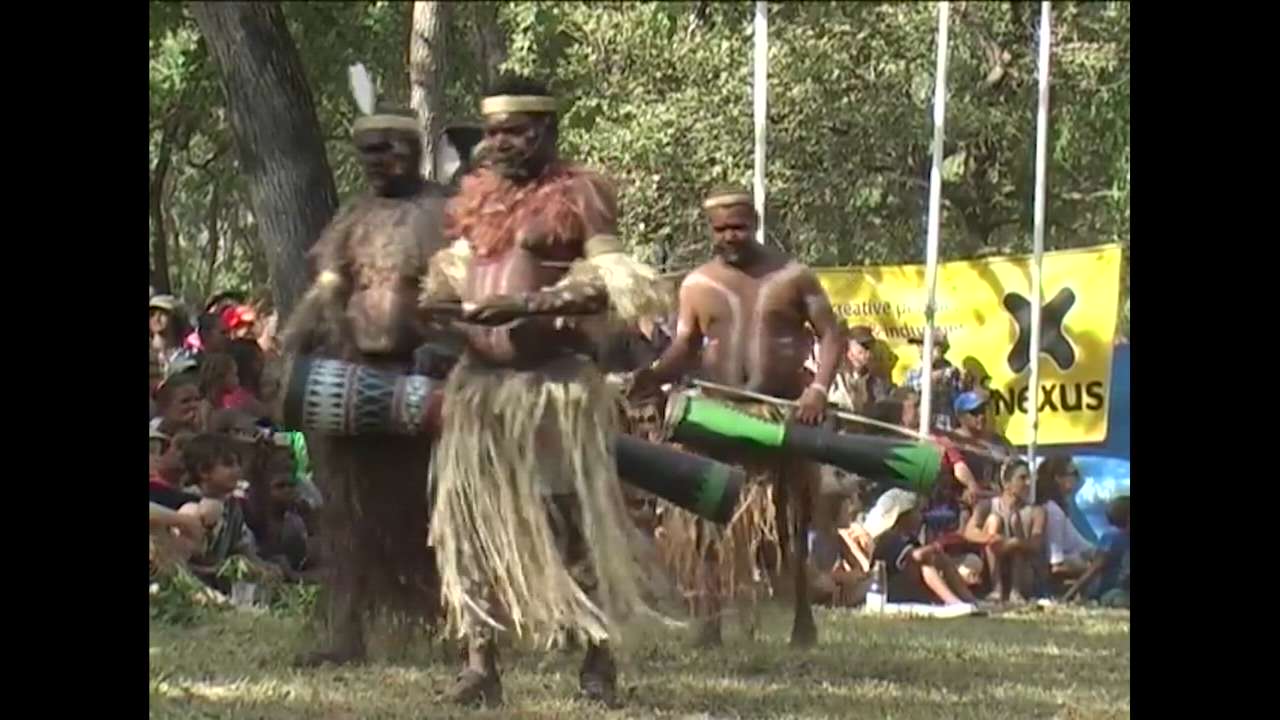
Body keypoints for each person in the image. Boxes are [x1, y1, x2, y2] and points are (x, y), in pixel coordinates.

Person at [421, 76, 671, 707]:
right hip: (481, 390)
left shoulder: (581, 193)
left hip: (554, 387)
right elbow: (455, 275)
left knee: (575, 521)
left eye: (514, 131)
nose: (499, 142)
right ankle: (480, 664)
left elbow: (613, 283)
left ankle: (598, 659)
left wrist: (527, 305)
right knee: (470, 525)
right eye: (493, 131)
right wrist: (441, 305)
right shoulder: (478, 196)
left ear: (547, 129)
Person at [630, 185, 846, 649]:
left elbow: (832, 334)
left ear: (755, 223)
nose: (730, 235)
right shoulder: (696, 284)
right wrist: (653, 375)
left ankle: (802, 616)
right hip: (716, 413)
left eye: (739, 227)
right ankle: (709, 620)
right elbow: (685, 347)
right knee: (704, 518)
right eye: (721, 228)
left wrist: (817, 390)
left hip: (781, 411)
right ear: (710, 230)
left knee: (791, 516)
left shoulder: (793, 277)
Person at [281, 95, 451, 667]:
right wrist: (299, 343)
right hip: (355, 382)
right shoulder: (352, 217)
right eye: (367, 151)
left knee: (435, 513)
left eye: (387, 148)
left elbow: (468, 296)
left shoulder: (446, 215)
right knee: (347, 514)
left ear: (414, 148)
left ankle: (463, 635)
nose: (376, 159)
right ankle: (346, 634)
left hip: (425, 381)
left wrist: (443, 348)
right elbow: (328, 290)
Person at [181, 434, 283, 590]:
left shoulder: (233, 505)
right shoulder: (190, 503)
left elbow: (241, 548)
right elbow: (182, 560)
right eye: (228, 464)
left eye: (238, 464)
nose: (237, 470)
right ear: (204, 471)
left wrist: (262, 567)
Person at [864, 489, 978, 613]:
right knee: (925, 565)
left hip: (906, 584)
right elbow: (915, 556)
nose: (921, 516)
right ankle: (953, 602)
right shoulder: (890, 538)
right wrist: (935, 547)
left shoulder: (907, 537)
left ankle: (968, 599)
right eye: (917, 512)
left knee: (940, 559)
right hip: (890, 589)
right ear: (903, 516)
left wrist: (935, 553)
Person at [964, 459, 1045, 603]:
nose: (1028, 483)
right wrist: (991, 538)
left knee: (1015, 521)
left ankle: (1015, 590)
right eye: (1022, 478)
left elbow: (1036, 544)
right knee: (994, 520)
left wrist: (1014, 542)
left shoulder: (1036, 511)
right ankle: (997, 588)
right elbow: (969, 532)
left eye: (1029, 478)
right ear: (1007, 483)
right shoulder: (987, 505)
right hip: (993, 565)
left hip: (1023, 571)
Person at [1033, 455, 1096, 580]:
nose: (1078, 478)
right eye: (1074, 473)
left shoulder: (1056, 508)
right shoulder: (1053, 511)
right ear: (1058, 478)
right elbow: (1056, 564)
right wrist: (1090, 568)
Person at [905, 329, 963, 431]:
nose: (920, 350)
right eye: (918, 346)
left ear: (940, 349)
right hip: (922, 430)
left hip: (947, 430)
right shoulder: (913, 373)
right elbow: (907, 396)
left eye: (924, 345)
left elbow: (961, 404)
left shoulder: (953, 373)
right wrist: (930, 379)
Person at [828, 325, 892, 415]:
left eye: (870, 346)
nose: (867, 351)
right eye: (863, 345)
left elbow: (882, 409)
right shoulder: (834, 377)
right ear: (849, 348)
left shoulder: (876, 381)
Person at [150, 294, 192, 377]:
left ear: (176, 318)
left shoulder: (188, 359)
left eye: (162, 314)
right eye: (152, 314)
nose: (156, 319)